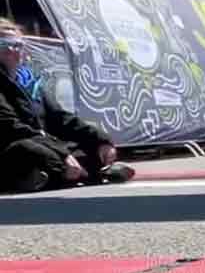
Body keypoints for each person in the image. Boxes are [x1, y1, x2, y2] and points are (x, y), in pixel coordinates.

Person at [0, 18, 134, 193]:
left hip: (42, 143)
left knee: (87, 146)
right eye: (4, 45)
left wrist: (100, 139)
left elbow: (60, 118)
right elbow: (12, 128)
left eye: (17, 45)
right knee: (28, 149)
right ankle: (79, 173)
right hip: (10, 149)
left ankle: (65, 173)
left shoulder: (28, 82)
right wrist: (62, 153)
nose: (13, 50)